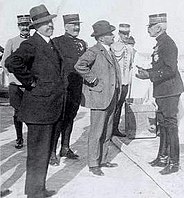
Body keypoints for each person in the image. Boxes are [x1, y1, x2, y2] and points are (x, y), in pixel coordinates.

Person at [5, 4, 64, 197]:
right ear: (35, 27)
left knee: (44, 151)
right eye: (44, 23)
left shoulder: (50, 43)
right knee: (38, 153)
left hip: (50, 106)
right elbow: (12, 62)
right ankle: (33, 192)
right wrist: (30, 82)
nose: (49, 25)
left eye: (49, 22)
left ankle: (39, 189)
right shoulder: (32, 43)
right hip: (39, 107)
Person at [136, 13, 184, 175]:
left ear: (158, 27)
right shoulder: (161, 43)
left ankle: (174, 162)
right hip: (163, 91)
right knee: (162, 124)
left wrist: (149, 75)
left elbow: (170, 70)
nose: (148, 29)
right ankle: (162, 157)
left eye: (150, 26)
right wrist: (147, 72)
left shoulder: (168, 44)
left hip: (169, 91)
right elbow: (160, 67)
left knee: (170, 125)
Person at [74, 20, 121, 176]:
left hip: (111, 97)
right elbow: (79, 65)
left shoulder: (109, 50)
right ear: (101, 38)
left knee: (107, 131)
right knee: (96, 132)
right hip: (100, 97)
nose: (113, 35)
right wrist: (93, 80)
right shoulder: (93, 51)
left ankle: (103, 159)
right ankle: (93, 163)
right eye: (109, 34)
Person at [49, 14, 87, 166]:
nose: (76, 27)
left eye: (78, 24)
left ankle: (65, 147)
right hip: (62, 87)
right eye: (73, 25)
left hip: (76, 87)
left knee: (70, 117)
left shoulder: (82, 43)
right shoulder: (56, 42)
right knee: (58, 119)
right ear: (65, 27)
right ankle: (52, 152)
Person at [1, 15, 31, 149]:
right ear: (18, 26)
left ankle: (33, 139)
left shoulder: (34, 42)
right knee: (18, 112)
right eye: (22, 25)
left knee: (32, 113)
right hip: (16, 85)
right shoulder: (12, 41)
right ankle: (19, 138)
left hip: (31, 84)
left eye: (26, 25)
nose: (24, 27)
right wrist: (13, 77)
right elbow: (4, 62)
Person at [111, 23, 134, 137]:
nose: (126, 36)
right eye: (124, 33)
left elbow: (130, 65)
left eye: (127, 33)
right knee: (113, 105)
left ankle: (114, 128)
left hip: (125, 81)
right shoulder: (113, 46)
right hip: (115, 82)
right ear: (119, 34)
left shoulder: (130, 48)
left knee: (119, 105)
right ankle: (108, 130)